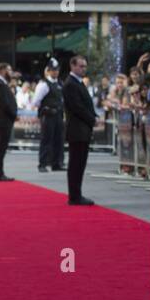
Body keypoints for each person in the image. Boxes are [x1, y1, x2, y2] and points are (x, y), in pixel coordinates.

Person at [63, 54, 98, 206]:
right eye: (81, 66)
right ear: (73, 66)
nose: (84, 69)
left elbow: (86, 105)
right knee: (76, 164)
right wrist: (93, 119)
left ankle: (76, 194)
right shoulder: (71, 84)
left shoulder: (78, 83)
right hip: (77, 129)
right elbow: (77, 107)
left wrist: (93, 116)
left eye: (85, 66)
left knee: (79, 163)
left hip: (82, 129)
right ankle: (74, 196)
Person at [34, 58, 65, 172]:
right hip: (48, 115)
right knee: (46, 140)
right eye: (53, 70)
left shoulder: (60, 83)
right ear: (48, 70)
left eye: (57, 70)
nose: (55, 72)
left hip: (58, 115)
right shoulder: (43, 84)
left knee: (59, 139)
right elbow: (36, 101)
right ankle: (42, 164)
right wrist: (45, 109)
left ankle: (57, 163)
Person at [0, 63, 17, 182]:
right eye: (9, 70)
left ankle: (0, 172)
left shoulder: (3, 84)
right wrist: (14, 115)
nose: (10, 73)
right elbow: (5, 104)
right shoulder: (0, 85)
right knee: (1, 147)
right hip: (3, 120)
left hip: (5, 120)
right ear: (2, 71)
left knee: (2, 147)